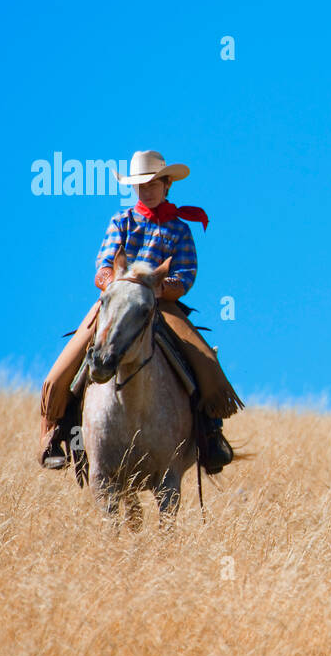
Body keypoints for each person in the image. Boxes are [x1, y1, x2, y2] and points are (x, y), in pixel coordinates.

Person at [38, 150, 242, 475]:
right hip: (116, 300)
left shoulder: (179, 230)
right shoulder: (122, 221)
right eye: (140, 185)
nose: (146, 191)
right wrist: (115, 283)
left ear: (166, 185)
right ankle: (53, 434)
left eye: (152, 184)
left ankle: (210, 436)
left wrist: (157, 288)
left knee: (205, 361)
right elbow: (104, 265)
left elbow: (185, 275)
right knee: (63, 368)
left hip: (162, 303)